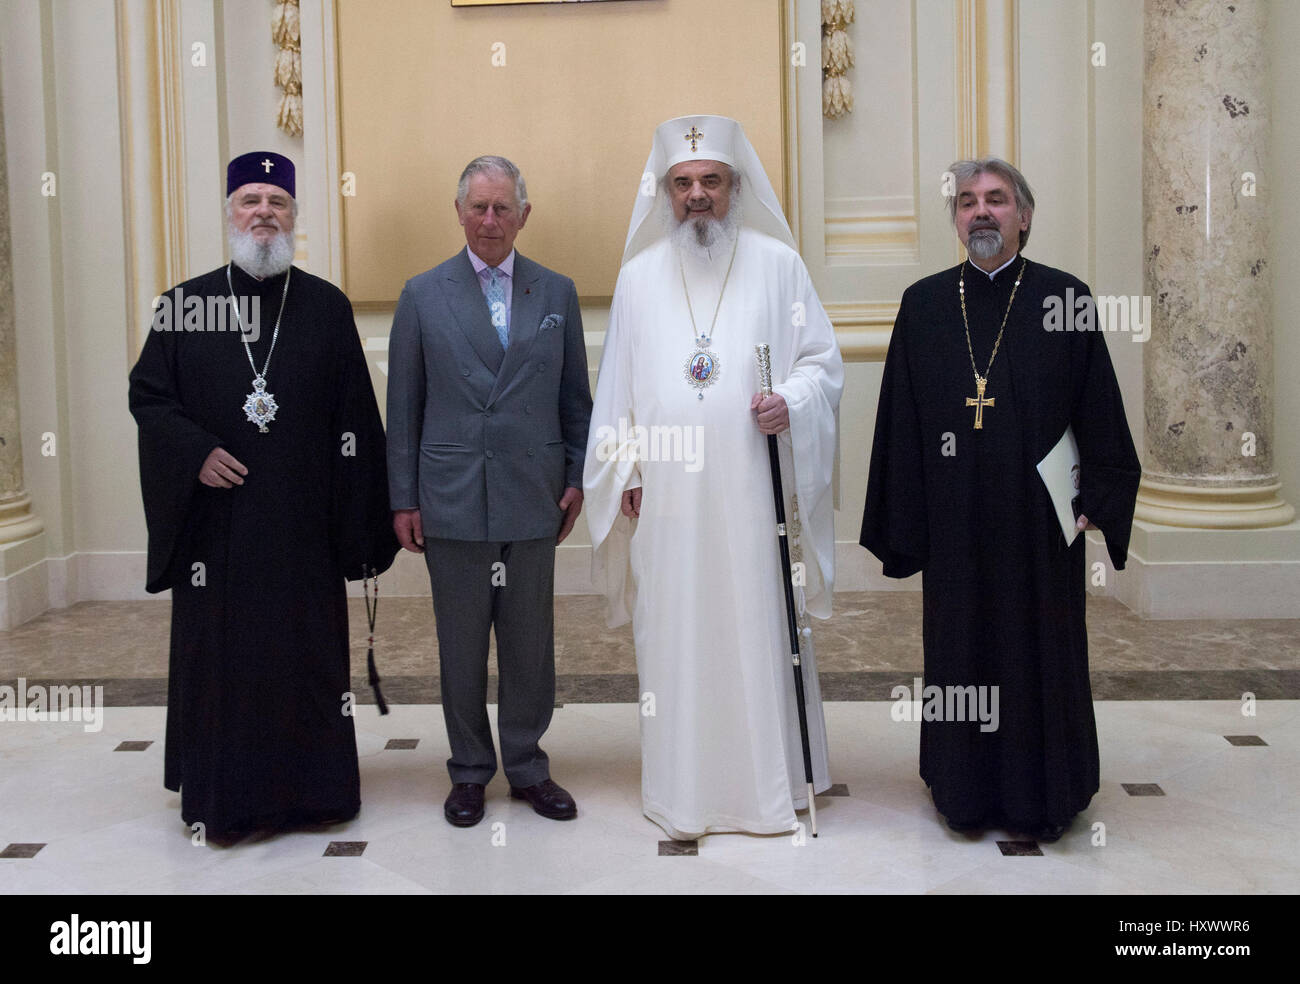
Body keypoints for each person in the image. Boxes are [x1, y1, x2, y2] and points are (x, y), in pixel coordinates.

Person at [860, 157, 1141, 840]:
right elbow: (900, 418)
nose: (980, 211)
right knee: (960, 648)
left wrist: (1097, 497)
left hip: (1038, 525)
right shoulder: (924, 304)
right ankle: (964, 789)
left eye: (996, 199)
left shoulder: (1064, 296)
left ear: (1025, 215)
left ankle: (1045, 793)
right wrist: (908, 517)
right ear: (955, 219)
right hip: (956, 523)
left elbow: (1097, 408)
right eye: (966, 202)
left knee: (1040, 649)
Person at [584, 116, 843, 839]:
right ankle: (683, 788)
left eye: (711, 182)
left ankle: (767, 786)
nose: (698, 195)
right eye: (683, 183)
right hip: (666, 498)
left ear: (736, 186)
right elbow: (617, 392)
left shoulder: (778, 265)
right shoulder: (637, 279)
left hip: (747, 492)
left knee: (755, 620)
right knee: (675, 630)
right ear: (666, 191)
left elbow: (821, 365)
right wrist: (624, 465)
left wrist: (789, 402)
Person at [129, 151, 397, 841]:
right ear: (230, 214)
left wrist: (361, 529)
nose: (264, 214)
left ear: (294, 217)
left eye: (277, 203)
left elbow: (357, 422)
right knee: (226, 662)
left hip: (302, 530)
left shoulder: (326, 307)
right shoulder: (187, 306)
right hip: (217, 539)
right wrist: (194, 453)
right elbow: (149, 397)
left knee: (306, 661)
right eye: (250, 200)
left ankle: (316, 794)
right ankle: (229, 798)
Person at [387, 155, 592, 828]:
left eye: (503, 208)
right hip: (452, 498)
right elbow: (405, 407)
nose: (490, 220)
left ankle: (529, 767)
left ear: (524, 215)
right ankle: (470, 772)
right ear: (459, 211)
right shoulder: (422, 294)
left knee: (531, 643)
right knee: (462, 646)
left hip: (534, 498)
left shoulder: (556, 292)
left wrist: (576, 476)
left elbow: (575, 402)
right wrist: (403, 497)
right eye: (478, 207)